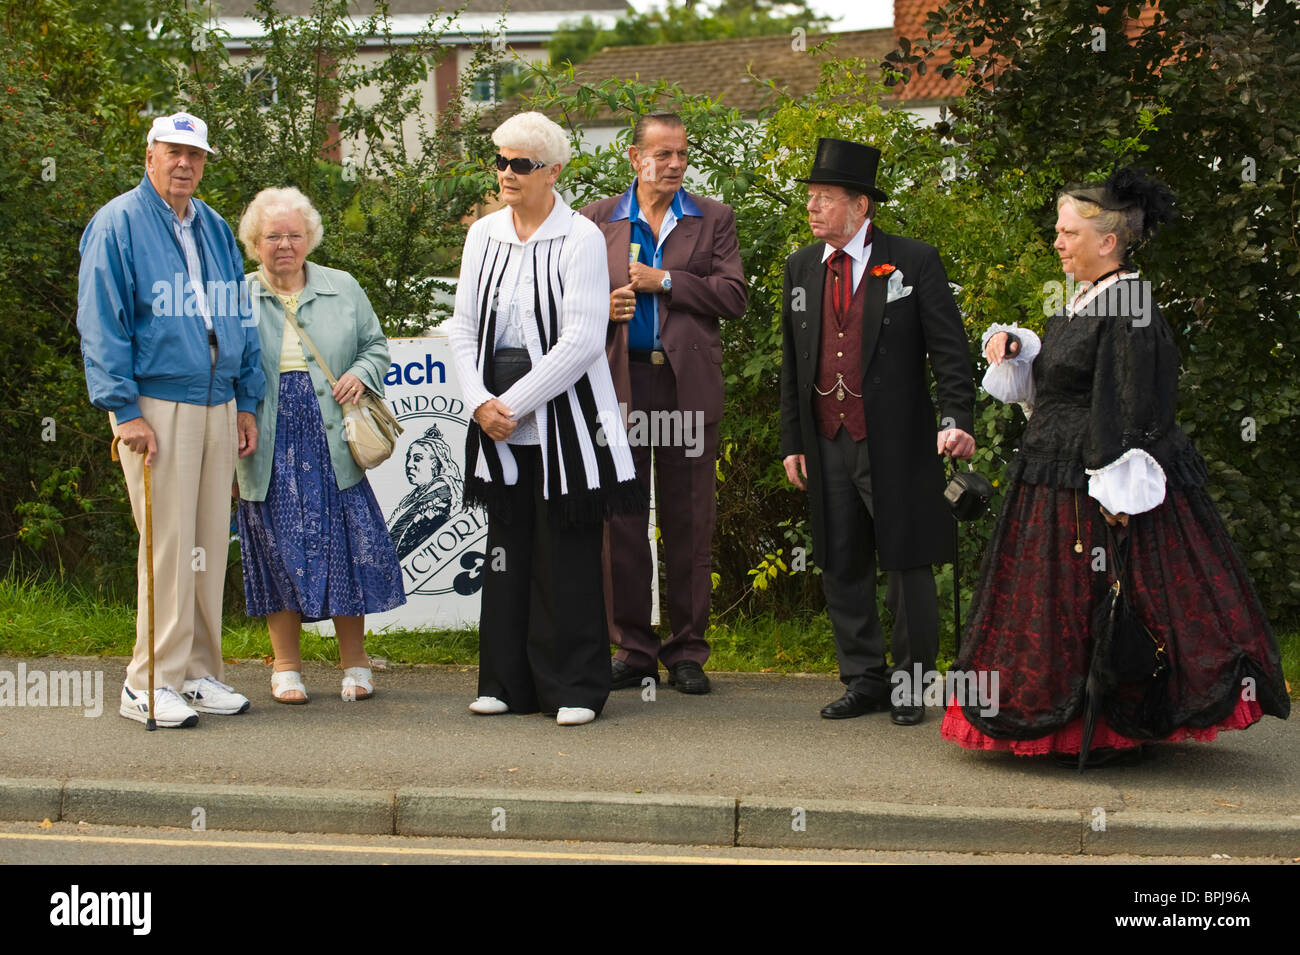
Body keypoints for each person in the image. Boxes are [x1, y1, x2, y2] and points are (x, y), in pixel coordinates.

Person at [941, 168, 1290, 762]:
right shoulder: (1090, 295)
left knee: (1106, 597)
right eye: (1058, 230)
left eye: (1068, 232)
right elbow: (1067, 378)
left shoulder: (1131, 307)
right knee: (1070, 601)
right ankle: (1075, 716)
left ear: (1108, 242)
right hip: (1057, 472)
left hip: (1094, 481)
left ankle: (1103, 725)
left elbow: (1133, 405)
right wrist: (1019, 346)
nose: (1057, 241)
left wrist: (1116, 493)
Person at [448, 111, 643, 726]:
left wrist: (513, 404)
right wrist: (480, 401)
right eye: (501, 160)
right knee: (507, 549)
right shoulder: (482, 235)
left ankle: (575, 688)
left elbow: (584, 339)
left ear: (554, 171)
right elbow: (460, 326)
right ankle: (505, 683)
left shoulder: (581, 236)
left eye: (521, 164)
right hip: (496, 416)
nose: (506, 173)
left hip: (565, 420)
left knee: (567, 553)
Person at [78, 112, 266, 727]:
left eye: (196, 154)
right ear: (150, 156)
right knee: (168, 544)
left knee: (208, 542)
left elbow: (240, 314)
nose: (185, 163)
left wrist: (246, 397)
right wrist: (123, 409)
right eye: (173, 151)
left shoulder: (212, 226)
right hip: (155, 406)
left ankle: (197, 672)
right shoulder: (118, 223)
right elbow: (101, 322)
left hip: (216, 400)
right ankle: (148, 681)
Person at [779, 137, 976, 725]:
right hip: (826, 438)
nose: (812, 209)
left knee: (907, 561)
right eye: (810, 198)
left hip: (898, 439)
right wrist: (793, 440)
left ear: (860, 206)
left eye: (825, 198)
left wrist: (955, 421)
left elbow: (949, 352)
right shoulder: (800, 267)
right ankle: (863, 678)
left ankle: (913, 682)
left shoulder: (912, 261)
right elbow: (793, 363)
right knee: (841, 560)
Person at [580, 113, 748, 695]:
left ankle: (686, 652)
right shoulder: (594, 220)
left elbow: (734, 296)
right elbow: (566, 301)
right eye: (663, 153)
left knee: (688, 521)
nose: (675, 163)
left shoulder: (712, 218)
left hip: (685, 390)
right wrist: (603, 307)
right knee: (620, 524)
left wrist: (666, 281)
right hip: (619, 389)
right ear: (634, 157)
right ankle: (633, 649)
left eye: (682, 153)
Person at [234, 186, 405, 704]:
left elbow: (376, 345)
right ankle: (286, 667)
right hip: (266, 438)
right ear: (253, 242)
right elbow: (219, 362)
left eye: (294, 235)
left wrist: (359, 372)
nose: (284, 245)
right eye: (273, 236)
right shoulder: (238, 294)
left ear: (309, 238)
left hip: (330, 435)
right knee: (275, 549)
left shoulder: (343, 286)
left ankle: (355, 664)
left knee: (347, 544)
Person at [389, 425, 464, 560]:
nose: (409, 465)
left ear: (435, 463)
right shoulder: (410, 499)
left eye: (417, 459)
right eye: (409, 458)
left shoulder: (444, 496)